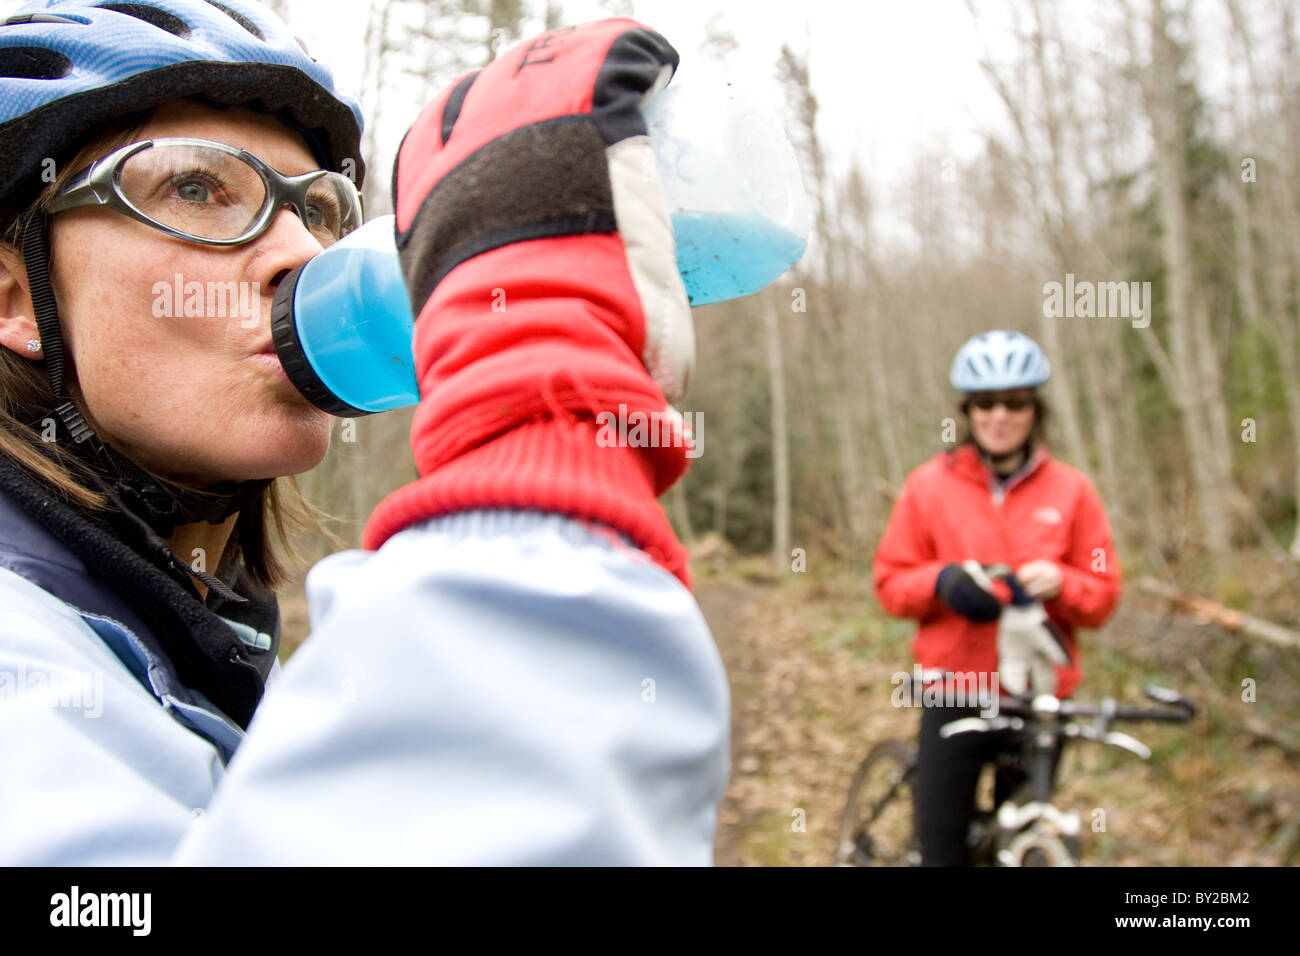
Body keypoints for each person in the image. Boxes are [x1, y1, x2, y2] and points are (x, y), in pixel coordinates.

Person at [0, 0, 728, 864]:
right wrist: (539, 451)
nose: (301, 253)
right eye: (194, 186)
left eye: (316, 207)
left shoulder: (184, 634)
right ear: (12, 298)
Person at [873, 329, 1121, 866]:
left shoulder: (1072, 491)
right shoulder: (927, 487)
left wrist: (1064, 583)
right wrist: (941, 583)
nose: (999, 416)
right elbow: (890, 584)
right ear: (967, 411)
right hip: (954, 692)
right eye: (985, 404)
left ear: (1036, 409)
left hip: (1039, 698)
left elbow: (1103, 597)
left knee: (1023, 848)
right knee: (942, 851)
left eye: (1015, 402)